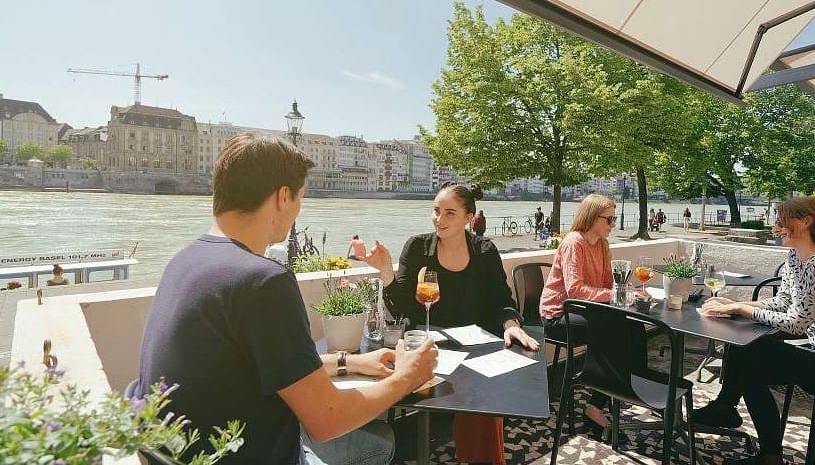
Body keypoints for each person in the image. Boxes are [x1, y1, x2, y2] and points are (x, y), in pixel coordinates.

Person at [136, 132, 437, 465]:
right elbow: (327, 419)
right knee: (378, 444)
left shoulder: (185, 261)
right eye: (300, 198)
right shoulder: (262, 281)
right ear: (283, 196)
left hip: (184, 455)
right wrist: (408, 376)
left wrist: (349, 362)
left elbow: (263, 366)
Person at [360, 182, 539, 465]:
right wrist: (385, 271)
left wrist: (510, 324)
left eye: (449, 213)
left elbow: (500, 298)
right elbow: (402, 307)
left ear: (469, 217)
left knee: (485, 393)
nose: (439, 220)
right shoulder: (417, 247)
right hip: (428, 345)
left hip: (474, 348)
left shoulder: (484, 250)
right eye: (436, 211)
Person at [698, 196, 815, 465]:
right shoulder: (796, 256)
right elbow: (782, 302)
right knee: (745, 348)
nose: (776, 227)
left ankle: (735, 418)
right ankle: (746, 431)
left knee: (752, 350)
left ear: (806, 222)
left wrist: (743, 310)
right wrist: (735, 304)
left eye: (782, 221)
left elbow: (797, 323)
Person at [539, 194, 649, 439]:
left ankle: (628, 387)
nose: (612, 224)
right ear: (591, 217)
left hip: (585, 309)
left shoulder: (602, 244)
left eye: (614, 218)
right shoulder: (573, 243)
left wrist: (628, 292)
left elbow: (608, 285)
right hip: (558, 314)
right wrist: (614, 295)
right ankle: (598, 402)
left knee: (635, 328)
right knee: (617, 330)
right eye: (609, 219)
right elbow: (575, 290)